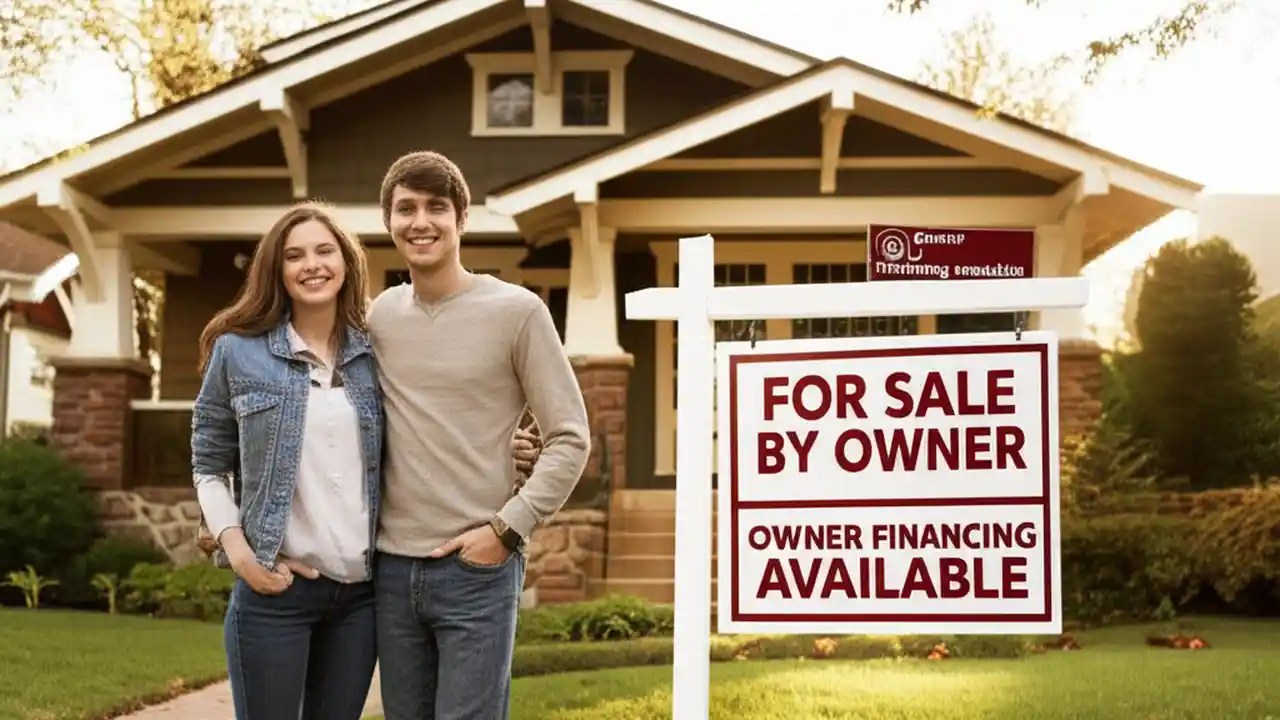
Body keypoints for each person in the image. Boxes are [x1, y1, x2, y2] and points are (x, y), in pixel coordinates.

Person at [189, 202, 539, 720]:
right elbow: (209, 462)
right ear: (277, 270)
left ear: (348, 263)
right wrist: (238, 552)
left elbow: (428, 420)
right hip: (275, 591)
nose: (312, 264)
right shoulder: (238, 351)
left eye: (325, 251)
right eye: (295, 255)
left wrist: (508, 447)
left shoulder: (374, 351)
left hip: (359, 598)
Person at [368, 150, 591, 719]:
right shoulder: (376, 318)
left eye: (436, 207)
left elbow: (569, 437)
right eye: (406, 209)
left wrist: (507, 530)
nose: (421, 222)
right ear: (388, 221)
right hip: (391, 571)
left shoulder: (517, 312)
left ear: (461, 218)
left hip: (478, 570)